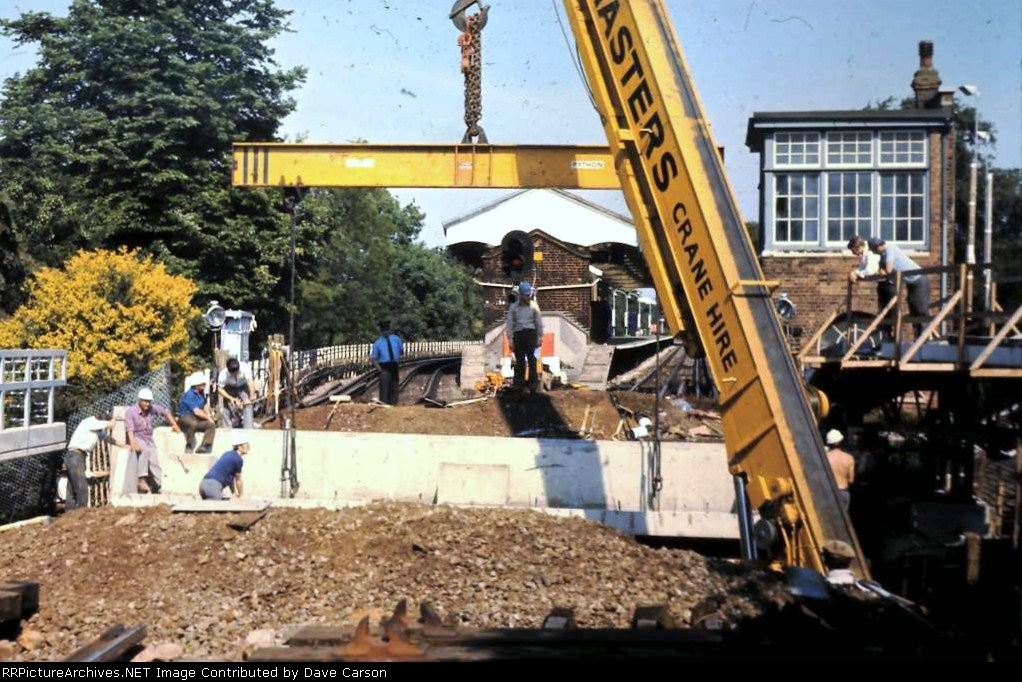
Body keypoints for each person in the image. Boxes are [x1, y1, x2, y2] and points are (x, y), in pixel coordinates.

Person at [868, 237, 931, 338]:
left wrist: (884, 270)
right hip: (910, 283)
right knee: (913, 309)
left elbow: (888, 270)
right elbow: (881, 269)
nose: (874, 253)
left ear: (878, 247)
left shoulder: (890, 249)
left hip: (919, 280)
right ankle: (919, 338)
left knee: (921, 310)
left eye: (874, 250)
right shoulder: (883, 255)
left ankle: (924, 340)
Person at [124, 388, 182, 494]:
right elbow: (130, 430)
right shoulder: (131, 412)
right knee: (145, 450)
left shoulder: (151, 408)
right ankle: (141, 479)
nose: (147, 404)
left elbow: (165, 411)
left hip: (148, 438)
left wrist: (174, 424)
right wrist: (133, 444)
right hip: (137, 436)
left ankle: (158, 485)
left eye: (149, 401)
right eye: (145, 401)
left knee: (154, 458)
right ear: (140, 400)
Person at [65, 412, 127, 510]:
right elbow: (111, 425)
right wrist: (114, 418)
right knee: (82, 488)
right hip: (75, 456)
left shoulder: (97, 428)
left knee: (72, 487)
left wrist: (124, 446)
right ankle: (80, 513)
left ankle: (69, 514)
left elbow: (108, 439)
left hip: (76, 456)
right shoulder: (91, 422)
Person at [847, 235, 893, 339]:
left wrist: (857, 274)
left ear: (858, 247)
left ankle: (894, 339)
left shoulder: (870, 252)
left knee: (890, 311)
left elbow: (870, 269)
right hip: (882, 284)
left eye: (854, 251)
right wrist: (854, 272)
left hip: (889, 284)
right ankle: (887, 338)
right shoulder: (864, 255)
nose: (854, 254)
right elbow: (862, 267)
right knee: (882, 311)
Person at [505, 281, 544, 391]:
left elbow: (539, 322)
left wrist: (540, 336)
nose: (527, 297)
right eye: (525, 295)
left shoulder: (534, 306)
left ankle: (533, 386)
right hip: (518, 335)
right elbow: (509, 324)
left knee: (532, 360)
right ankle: (519, 386)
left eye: (528, 295)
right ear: (520, 295)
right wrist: (510, 339)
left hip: (531, 334)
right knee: (520, 362)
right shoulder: (514, 307)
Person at [199, 431, 249, 500]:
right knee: (220, 508)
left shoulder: (228, 454)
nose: (248, 447)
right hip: (212, 488)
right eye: (246, 444)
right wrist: (241, 495)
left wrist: (233, 494)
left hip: (203, 485)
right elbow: (238, 480)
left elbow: (230, 479)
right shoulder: (238, 459)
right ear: (239, 446)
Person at [178, 373, 216, 454]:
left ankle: (204, 445)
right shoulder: (189, 395)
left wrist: (209, 415)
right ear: (196, 385)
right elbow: (197, 411)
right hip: (185, 417)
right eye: (202, 384)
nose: (204, 385)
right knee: (193, 423)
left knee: (211, 425)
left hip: (197, 418)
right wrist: (208, 418)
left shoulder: (201, 394)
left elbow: (204, 405)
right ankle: (189, 445)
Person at [371, 321, 403, 406]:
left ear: (389, 330)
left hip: (394, 365)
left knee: (394, 385)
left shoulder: (396, 339)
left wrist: (398, 359)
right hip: (384, 367)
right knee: (384, 387)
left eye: (387, 330)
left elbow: (401, 350)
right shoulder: (377, 343)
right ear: (381, 331)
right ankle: (384, 404)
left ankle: (394, 404)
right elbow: (373, 358)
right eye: (384, 330)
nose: (386, 332)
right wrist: (380, 370)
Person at [217, 358, 255, 429]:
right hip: (229, 388)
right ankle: (227, 428)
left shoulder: (245, 368)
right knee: (227, 407)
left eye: (236, 373)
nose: (235, 375)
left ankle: (248, 428)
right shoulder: (223, 375)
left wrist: (251, 397)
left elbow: (250, 382)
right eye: (233, 374)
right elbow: (220, 389)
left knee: (248, 405)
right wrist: (231, 398)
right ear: (228, 370)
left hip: (242, 387)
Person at [824, 429, 856, 512]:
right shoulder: (849, 458)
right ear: (841, 441)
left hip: (829, 492)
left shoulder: (825, 458)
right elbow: (851, 480)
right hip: (843, 492)